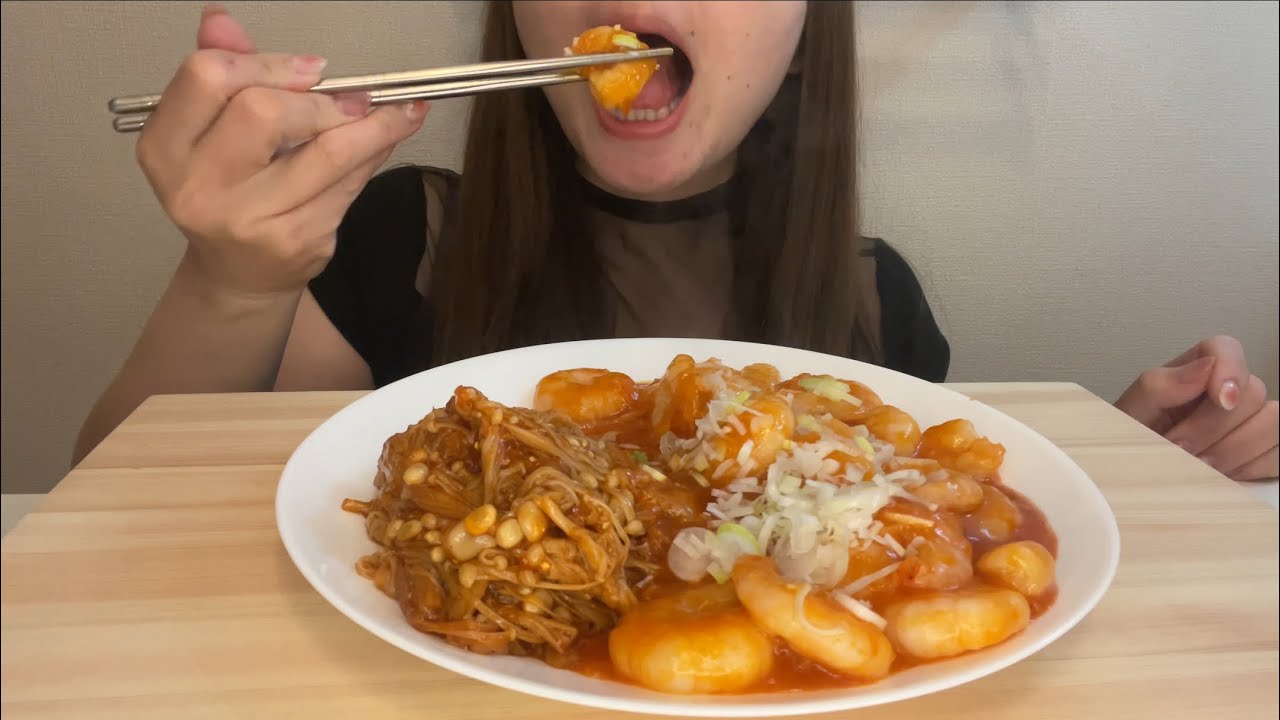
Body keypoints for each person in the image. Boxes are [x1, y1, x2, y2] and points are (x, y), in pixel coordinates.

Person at [74, 2, 1277, 483]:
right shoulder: (406, 235)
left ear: (805, 29)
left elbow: (907, 563)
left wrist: (1119, 479)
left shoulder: (874, 304)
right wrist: (232, 281)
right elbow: (127, 519)